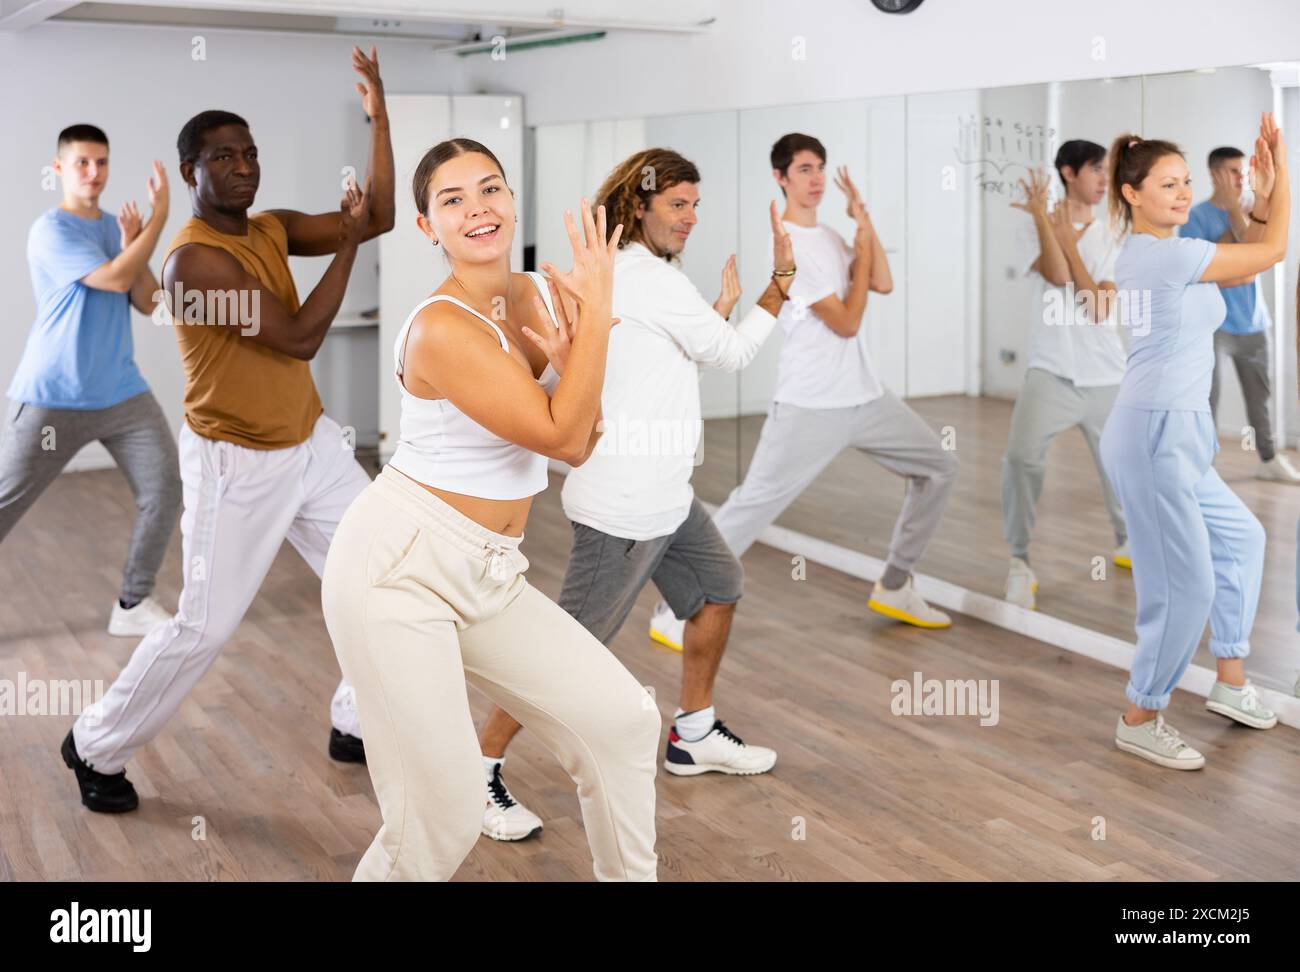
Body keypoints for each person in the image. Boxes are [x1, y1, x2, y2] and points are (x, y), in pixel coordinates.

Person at [61, 46, 395, 813]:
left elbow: (374, 215)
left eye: (250, 153)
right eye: (223, 156)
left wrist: (379, 114)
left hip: (311, 446)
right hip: (234, 464)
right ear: (191, 173)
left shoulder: (270, 228)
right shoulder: (192, 268)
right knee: (202, 629)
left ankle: (354, 718)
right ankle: (94, 742)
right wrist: (344, 241)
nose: (243, 166)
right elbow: (302, 334)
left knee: (382, 573)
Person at [321, 138, 661, 881]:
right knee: (440, 818)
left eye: (491, 189)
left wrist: (577, 361)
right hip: (397, 570)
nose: (478, 208)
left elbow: (583, 431)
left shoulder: (536, 294)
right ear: (427, 227)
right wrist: (596, 321)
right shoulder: (441, 328)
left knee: (622, 723)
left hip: (490, 569)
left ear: (512, 201)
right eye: (452, 199)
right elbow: (566, 436)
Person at [476, 148, 794, 841]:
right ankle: (476, 768)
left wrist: (714, 315)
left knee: (718, 586)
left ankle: (695, 733)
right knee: (562, 652)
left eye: (695, 204)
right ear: (639, 205)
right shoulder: (647, 277)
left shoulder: (635, 278)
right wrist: (781, 283)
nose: (690, 217)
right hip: (624, 507)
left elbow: (661, 376)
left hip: (665, 498)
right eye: (677, 203)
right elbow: (734, 355)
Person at [670, 132, 956, 638]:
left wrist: (863, 222)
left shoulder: (827, 236)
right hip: (810, 404)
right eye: (804, 169)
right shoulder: (790, 247)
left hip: (866, 396)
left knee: (938, 468)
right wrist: (863, 254)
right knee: (753, 504)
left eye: (820, 167)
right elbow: (847, 321)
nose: (817, 177)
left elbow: (881, 281)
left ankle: (893, 584)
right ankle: (673, 610)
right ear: (780, 178)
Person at [1101, 114, 1289, 771]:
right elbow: (1270, 254)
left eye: (1185, 183)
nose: (1181, 194)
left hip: (1178, 433)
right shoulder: (1163, 255)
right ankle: (1141, 714)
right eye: (1166, 184)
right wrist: (1282, 178)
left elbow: (1245, 269)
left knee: (1244, 539)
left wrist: (1257, 198)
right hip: (1152, 432)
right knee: (1183, 588)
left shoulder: (1170, 251)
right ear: (1131, 194)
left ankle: (1230, 683)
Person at [2, 125, 180, 637]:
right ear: (59, 168)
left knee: (164, 488)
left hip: (121, 391)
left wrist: (133, 240)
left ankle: (133, 603)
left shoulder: (113, 226)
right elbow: (115, 279)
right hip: (52, 395)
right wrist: (159, 220)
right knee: (6, 501)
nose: (94, 173)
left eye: (101, 162)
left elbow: (148, 301)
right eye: (81, 163)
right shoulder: (50, 230)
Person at [1002, 142, 1129, 611]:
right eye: (1097, 170)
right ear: (1068, 172)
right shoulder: (1028, 223)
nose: (1104, 179)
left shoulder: (1115, 231)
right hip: (1051, 369)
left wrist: (1069, 242)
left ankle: (1129, 541)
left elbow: (1098, 307)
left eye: (1107, 171)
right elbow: (1057, 276)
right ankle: (1019, 562)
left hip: (1107, 373)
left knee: (1121, 466)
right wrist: (1042, 219)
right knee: (1020, 458)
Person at [1181, 144, 1300, 483]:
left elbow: (1255, 256)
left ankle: (1268, 459)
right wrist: (1235, 215)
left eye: (1243, 170)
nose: (1241, 177)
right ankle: (1205, 467)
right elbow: (1214, 266)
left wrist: (1240, 213)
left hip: (1254, 323)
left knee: (1260, 399)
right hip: (1214, 327)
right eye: (1233, 171)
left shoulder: (1253, 210)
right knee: (1208, 400)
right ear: (1214, 174)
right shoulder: (1194, 218)